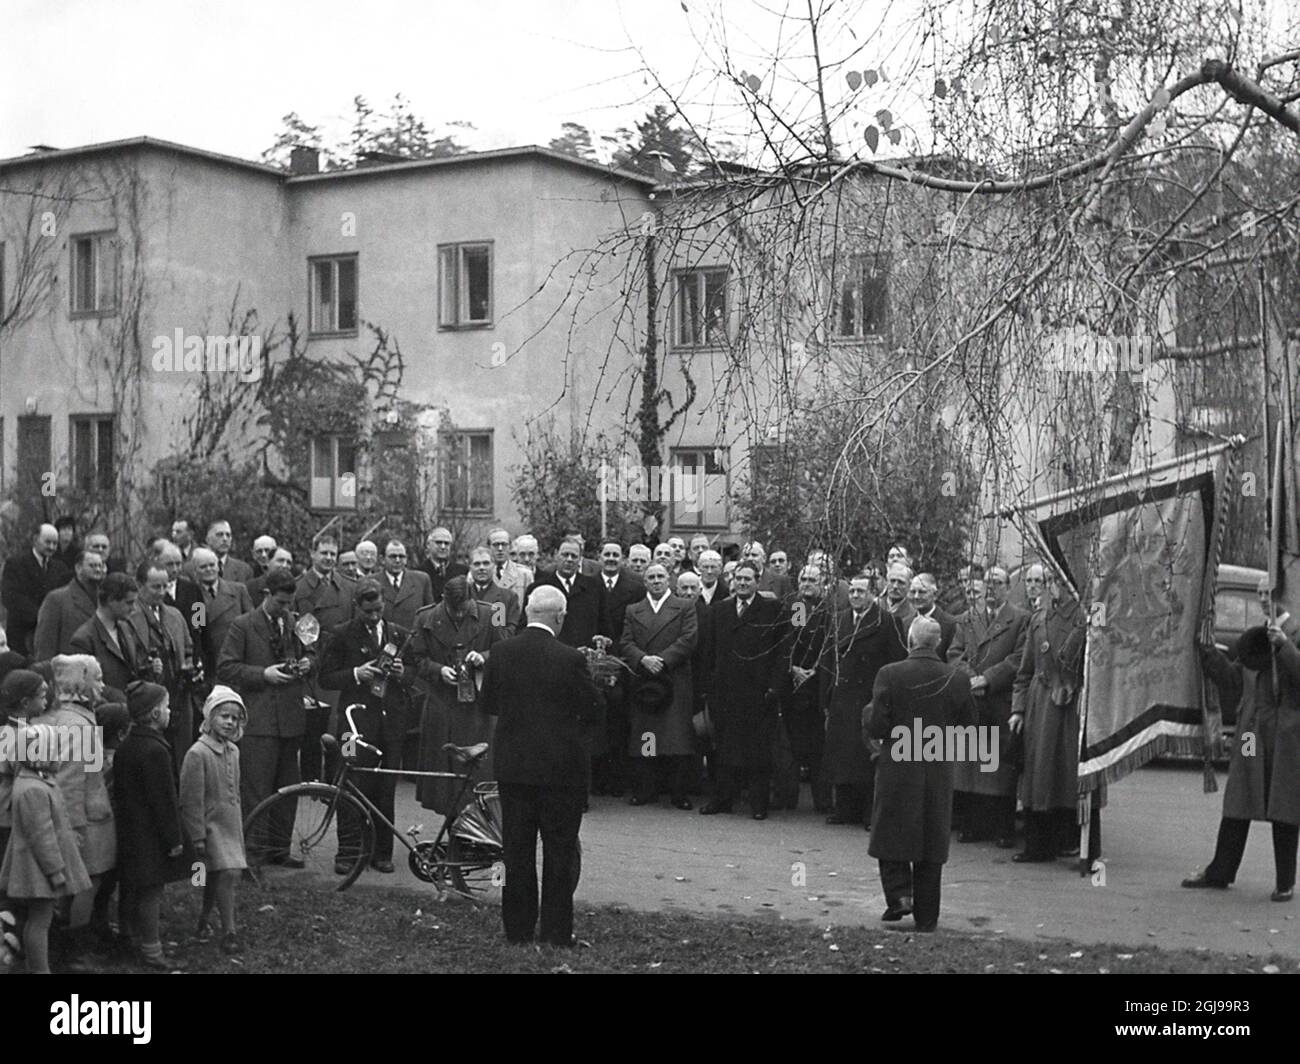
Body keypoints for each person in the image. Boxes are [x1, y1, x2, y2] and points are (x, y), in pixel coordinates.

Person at [481, 586, 600, 946]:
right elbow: (594, 709)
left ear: (529, 613)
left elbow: (489, 703)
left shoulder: (501, 652)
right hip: (561, 772)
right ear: (559, 616)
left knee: (515, 853)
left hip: (514, 769)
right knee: (559, 853)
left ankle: (517, 930)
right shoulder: (570, 659)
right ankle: (555, 932)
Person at [866, 617, 974, 932]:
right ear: (938, 643)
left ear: (910, 640)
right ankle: (927, 916)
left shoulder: (890, 674)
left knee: (889, 831)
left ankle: (899, 896)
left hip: (898, 767)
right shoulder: (956, 678)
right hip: (937, 767)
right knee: (931, 839)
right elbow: (968, 727)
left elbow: (878, 726)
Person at [1184, 621, 1300, 901]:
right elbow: (1233, 678)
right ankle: (1220, 872)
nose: (1262, 598)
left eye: (1266, 592)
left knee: (1283, 805)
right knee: (1239, 796)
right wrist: (1207, 652)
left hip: (1285, 739)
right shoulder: (1256, 639)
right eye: (1259, 593)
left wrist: (1284, 646)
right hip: (1250, 736)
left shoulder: (1294, 635)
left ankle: (1285, 882)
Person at [217, 569, 312, 868]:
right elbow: (226, 667)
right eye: (280, 602)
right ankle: (253, 856)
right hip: (259, 722)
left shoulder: (294, 622)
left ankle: (279, 850)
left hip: (290, 719)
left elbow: (314, 653)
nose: (285, 609)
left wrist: (310, 663)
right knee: (256, 792)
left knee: (288, 789)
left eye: (289, 603)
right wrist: (263, 674)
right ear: (266, 595)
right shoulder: (243, 625)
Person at [319, 579, 415, 874]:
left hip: (390, 727)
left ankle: (381, 852)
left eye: (378, 610)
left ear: (384, 603)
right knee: (349, 785)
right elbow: (325, 678)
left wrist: (402, 672)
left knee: (385, 789)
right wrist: (356, 673)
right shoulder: (341, 634)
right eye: (368, 611)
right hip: (352, 726)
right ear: (356, 607)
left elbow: (414, 675)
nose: (374, 616)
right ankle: (347, 853)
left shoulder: (398, 634)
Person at [37, 654, 116, 963]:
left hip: (88, 809)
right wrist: (74, 829)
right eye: (97, 679)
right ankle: (74, 950)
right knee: (86, 882)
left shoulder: (65, 716)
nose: (103, 685)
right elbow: (70, 780)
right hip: (84, 816)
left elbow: (90, 766)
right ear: (81, 684)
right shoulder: (77, 724)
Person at [0, 722, 93, 974]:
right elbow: (41, 836)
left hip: (38, 863)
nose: (59, 755)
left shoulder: (36, 782)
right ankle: (40, 969)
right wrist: (55, 870)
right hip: (39, 866)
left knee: (39, 919)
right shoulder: (33, 789)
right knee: (39, 920)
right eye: (55, 750)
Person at [1009, 575, 1089, 863]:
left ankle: (1066, 840)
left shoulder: (1085, 615)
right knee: (1038, 772)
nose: (1050, 586)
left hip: (1069, 704)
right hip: (1039, 702)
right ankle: (1038, 844)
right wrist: (1018, 709)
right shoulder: (1038, 617)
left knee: (1063, 772)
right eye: (1049, 580)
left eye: (1054, 580)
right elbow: (1025, 669)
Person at [948, 566, 1029, 846]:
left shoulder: (1020, 619)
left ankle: (1003, 828)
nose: (991, 588)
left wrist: (989, 678)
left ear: (1007, 586)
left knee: (998, 771)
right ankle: (972, 826)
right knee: (970, 768)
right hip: (974, 701)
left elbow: (1019, 658)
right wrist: (971, 678)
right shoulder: (969, 619)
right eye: (987, 583)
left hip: (999, 700)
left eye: (996, 583)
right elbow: (954, 653)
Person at [414, 575, 507, 814]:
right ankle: (453, 837)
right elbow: (415, 659)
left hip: (478, 709)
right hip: (442, 707)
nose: (458, 615)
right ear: (444, 600)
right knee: (446, 786)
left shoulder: (495, 612)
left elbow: (506, 648)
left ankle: (478, 837)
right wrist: (438, 670)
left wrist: (483, 657)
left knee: (479, 779)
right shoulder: (424, 617)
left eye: (463, 610)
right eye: (453, 610)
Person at [699, 563, 785, 820]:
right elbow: (709, 650)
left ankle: (759, 805)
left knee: (758, 751)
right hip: (725, 692)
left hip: (758, 693)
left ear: (758, 582)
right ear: (733, 581)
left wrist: (774, 686)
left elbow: (782, 651)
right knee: (723, 749)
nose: (743, 583)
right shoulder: (720, 610)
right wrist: (708, 687)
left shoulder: (773, 609)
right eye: (739, 579)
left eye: (748, 579)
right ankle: (722, 799)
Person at [821, 573, 907, 828]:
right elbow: (827, 661)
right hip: (842, 698)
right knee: (843, 756)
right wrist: (825, 697)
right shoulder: (838, 620)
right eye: (853, 592)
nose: (856, 596)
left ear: (872, 593)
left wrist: (887, 699)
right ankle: (843, 809)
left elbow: (896, 661)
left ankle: (871, 813)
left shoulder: (887, 622)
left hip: (870, 697)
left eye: (861, 591)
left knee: (868, 758)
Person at [113, 682, 187, 970]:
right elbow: (164, 799)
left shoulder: (128, 745)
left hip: (129, 828)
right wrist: (174, 838)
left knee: (131, 887)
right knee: (151, 891)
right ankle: (151, 948)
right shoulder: (156, 750)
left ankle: (128, 937)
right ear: (156, 714)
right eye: (166, 707)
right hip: (150, 834)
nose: (169, 712)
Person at [620, 563, 699, 810]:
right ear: (644, 582)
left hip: (673, 678)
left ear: (669, 580)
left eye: (660, 577)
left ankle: (678, 793)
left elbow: (689, 639)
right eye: (651, 577)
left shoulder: (684, 606)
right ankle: (646, 790)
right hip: (645, 680)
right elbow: (625, 642)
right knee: (648, 736)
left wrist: (663, 659)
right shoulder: (634, 610)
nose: (656, 581)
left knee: (676, 738)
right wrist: (643, 659)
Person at [181, 686, 248, 953]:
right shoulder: (198, 754)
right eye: (224, 716)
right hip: (210, 826)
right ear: (209, 718)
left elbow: (235, 791)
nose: (230, 722)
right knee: (228, 873)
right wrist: (196, 836)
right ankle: (229, 931)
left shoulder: (233, 751)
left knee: (217, 875)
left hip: (230, 823)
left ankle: (204, 919)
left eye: (235, 718)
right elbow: (190, 799)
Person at [294, 532, 353, 782]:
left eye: (333, 554)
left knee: (341, 728)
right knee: (312, 727)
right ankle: (311, 779)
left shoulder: (349, 587)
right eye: (324, 553)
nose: (329, 558)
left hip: (338, 665)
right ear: (312, 554)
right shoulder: (298, 587)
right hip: (310, 665)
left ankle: (338, 778)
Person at [130, 561, 198, 770]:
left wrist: (191, 666)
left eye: (165, 586)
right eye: (155, 587)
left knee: (181, 756)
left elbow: (190, 646)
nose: (162, 592)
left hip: (178, 698)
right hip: (149, 700)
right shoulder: (128, 617)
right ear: (140, 585)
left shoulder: (177, 614)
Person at [776, 565, 833, 813]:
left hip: (818, 682)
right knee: (791, 744)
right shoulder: (797, 607)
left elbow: (827, 646)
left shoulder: (828, 610)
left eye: (812, 579)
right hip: (795, 682)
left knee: (819, 746)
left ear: (822, 583)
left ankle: (822, 801)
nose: (807, 584)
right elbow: (796, 639)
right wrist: (795, 668)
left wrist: (815, 670)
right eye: (803, 579)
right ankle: (788, 798)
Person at [592, 542, 645, 797]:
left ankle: (617, 780)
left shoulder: (634, 587)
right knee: (595, 720)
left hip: (621, 660)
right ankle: (597, 778)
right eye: (607, 555)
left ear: (622, 558)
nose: (611, 559)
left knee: (618, 719)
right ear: (599, 558)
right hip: (594, 660)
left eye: (615, 555)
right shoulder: (591, 584)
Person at [69, 573, 150, 692]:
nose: (134, 609)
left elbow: (133, 671)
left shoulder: (127, 628)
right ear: (111, 600)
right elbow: (88, 688)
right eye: (129, 603)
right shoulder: (84, 639)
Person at [190, 548, 254, 687]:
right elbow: (198, 629)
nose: (209, 569)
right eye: (203, 567)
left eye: (212, 565)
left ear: (219, 567)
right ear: (195, 572)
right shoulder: (195, 597)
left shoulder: (238, 590)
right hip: (213, 665)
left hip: (237, 660)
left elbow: (252, 624)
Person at [1, 524, 70, 655]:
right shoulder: (15, 564)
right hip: (21, 635)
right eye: (47, 542)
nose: (51, 547)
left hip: (51, 638)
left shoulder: (60, 568)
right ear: (35, 540)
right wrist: (42, 617)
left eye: (55, 543)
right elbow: (10, 597)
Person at [34, 549, 106, 661]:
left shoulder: (106, 601)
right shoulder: (56, 599)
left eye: (100, 566)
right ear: (78, 568)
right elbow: (45, 646)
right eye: (92, 566)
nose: (97, 570)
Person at [378, 538, 433, 630]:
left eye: (401, 556)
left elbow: (430, 616)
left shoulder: (421, 580)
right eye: (393, 556)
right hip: (384, 641)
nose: (398, 560)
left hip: (413, 640)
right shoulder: (372, 582)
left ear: (406, 559)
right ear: (382, 559)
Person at [469, 547, 522, 632]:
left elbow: (511, 630)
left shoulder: (509, 597)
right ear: (470, 567)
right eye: (477, 564)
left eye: (486, 563)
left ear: (493, 566)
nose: (481, 568)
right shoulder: (462, 596)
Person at [908, 573, 957, 659]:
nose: (916, 596)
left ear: (935, 595)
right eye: (913, 592)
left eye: (922, 592)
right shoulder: (906, 623)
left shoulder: (949, 624)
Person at [417, 528, 467, 602]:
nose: (443, 547)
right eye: (438, 543)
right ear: (428, 545)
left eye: (446, 543)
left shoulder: (463, 572)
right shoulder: (418, 573)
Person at [488, 528, 533, 604]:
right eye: (496, 545)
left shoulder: (524, 574)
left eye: (504, 544)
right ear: (489, 547)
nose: (500, 549)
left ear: (510, 546)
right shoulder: (480, 573)